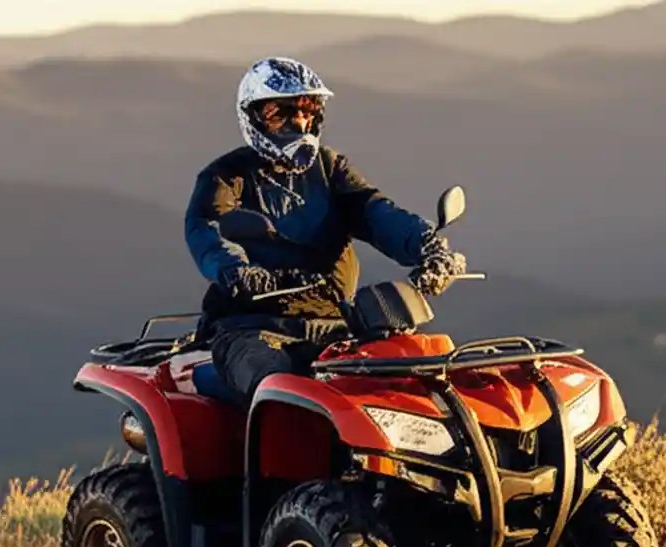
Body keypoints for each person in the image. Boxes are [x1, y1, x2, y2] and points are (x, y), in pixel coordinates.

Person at [184, 56, 466, 406]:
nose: (298, 122)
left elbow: (373, 210)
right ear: (253, 116)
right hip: (251, 328)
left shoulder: (330, 168)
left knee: (418, 372)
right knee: (281, 392)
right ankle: (279, 462)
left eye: (307, 111)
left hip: (338, 322)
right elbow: (208, 227)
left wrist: (427, 245)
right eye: (281, 112)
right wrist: (236, 271)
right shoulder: (226, 176)